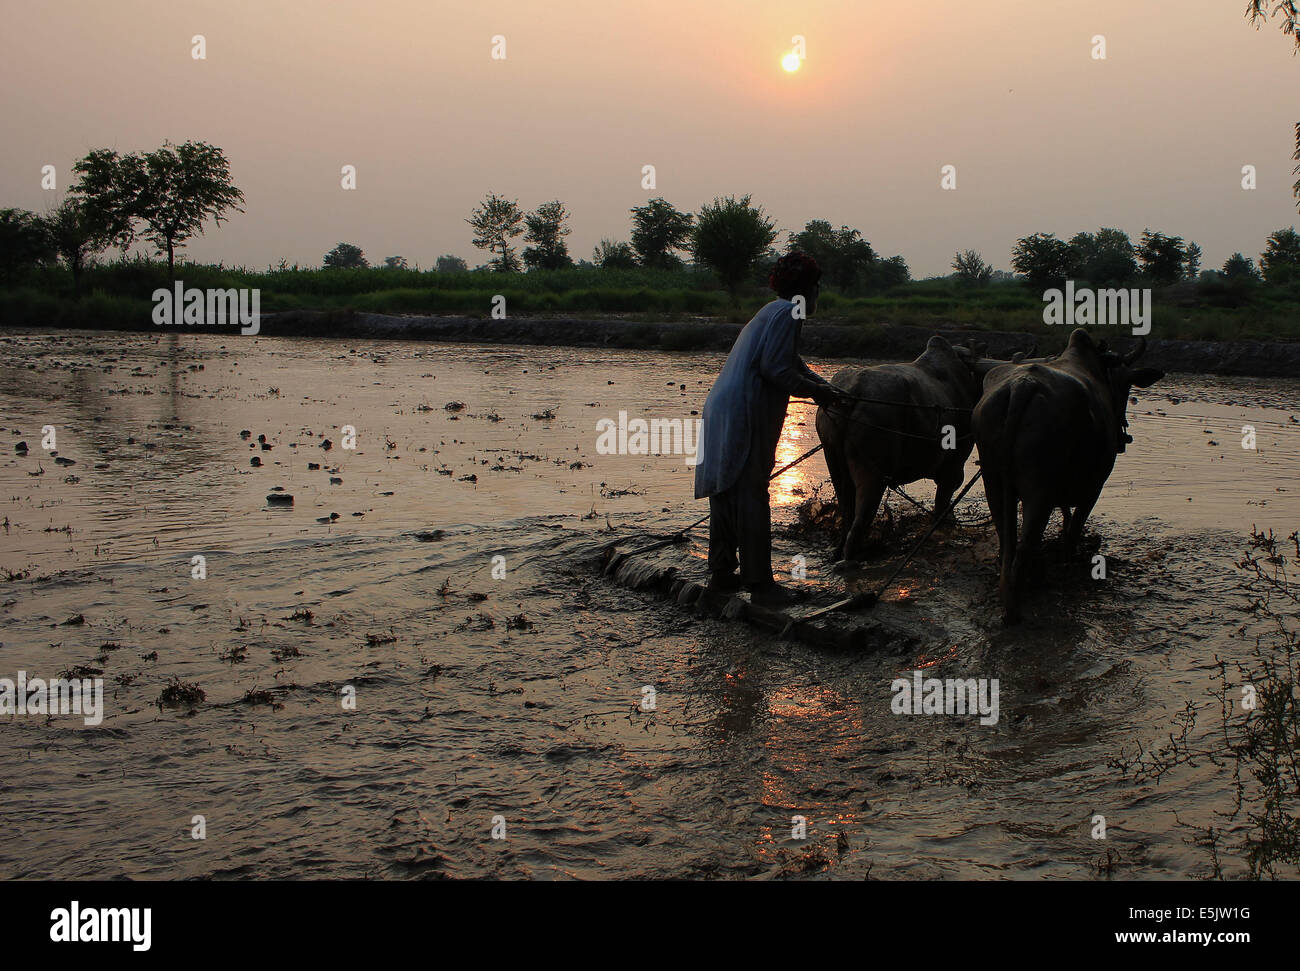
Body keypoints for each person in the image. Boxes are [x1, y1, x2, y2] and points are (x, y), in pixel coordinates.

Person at [693, 252, 853, 606]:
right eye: (817, 288)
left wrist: (824, 387)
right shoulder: (791, 312)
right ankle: (761, 585)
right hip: (742, 412)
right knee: (752, 493)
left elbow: (792, 363)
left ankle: (721, 573)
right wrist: (820, 391)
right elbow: (776, 370)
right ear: (810, 289)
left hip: (720, 407)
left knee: (726, 492)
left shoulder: (772, 310)